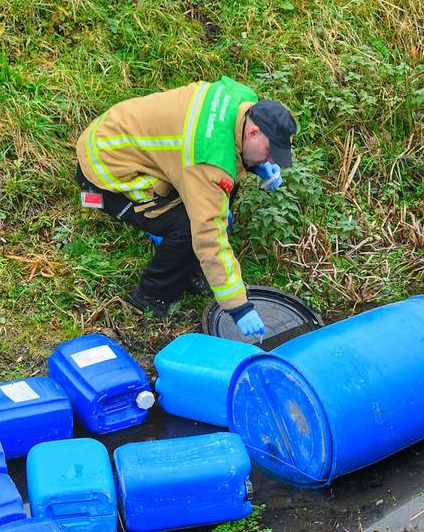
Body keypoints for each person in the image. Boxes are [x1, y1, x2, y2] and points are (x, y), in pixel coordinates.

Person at [74, 77, 297, 338]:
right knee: (191, 228)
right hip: (107, 167)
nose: (272, 159)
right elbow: (209, 238)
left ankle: (184, 264)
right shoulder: (208, 162)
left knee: (216, 200)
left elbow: (227, 152)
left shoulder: (243, 99)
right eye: (270, 151)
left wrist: (255, 164)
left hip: (123, 132)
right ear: (253, 133)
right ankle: (151, 295)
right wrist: (238, 307)